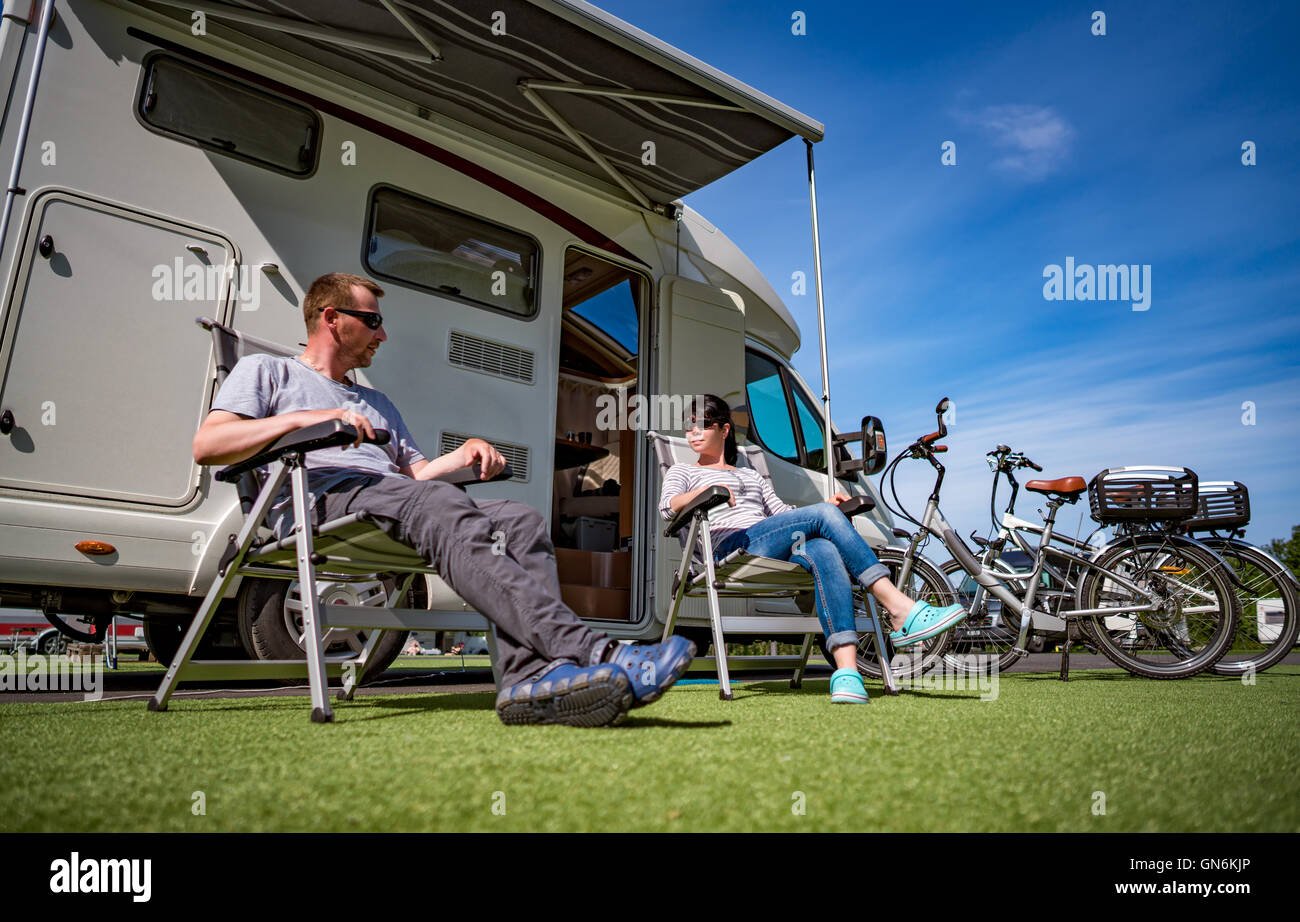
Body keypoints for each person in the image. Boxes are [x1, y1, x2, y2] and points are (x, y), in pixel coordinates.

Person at [192, 272, 694, 727]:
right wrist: (309, 420)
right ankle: (593, 650)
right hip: (320, 501)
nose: (382, 335)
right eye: (372, 322)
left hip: (390, 502)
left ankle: (528, 680)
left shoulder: (377, 403)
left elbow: (416, 474)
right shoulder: (268, 373)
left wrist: (462, 454)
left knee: (518, 519)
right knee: (433, 502)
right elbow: (208, 446)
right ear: (331, 319)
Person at [659, 395, 966, 703]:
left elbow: (779, 513)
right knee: (822, 517)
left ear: (724, 431)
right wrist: (706, 491)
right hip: (731, 548)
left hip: (768, 543)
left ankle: (847, 674)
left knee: (824, 550)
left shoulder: (749, 474)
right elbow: (667, 508)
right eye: (689, 427)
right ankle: (899, 608)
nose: (693, 433)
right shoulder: (684, 472)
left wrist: (824, 510)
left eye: (703, 425)